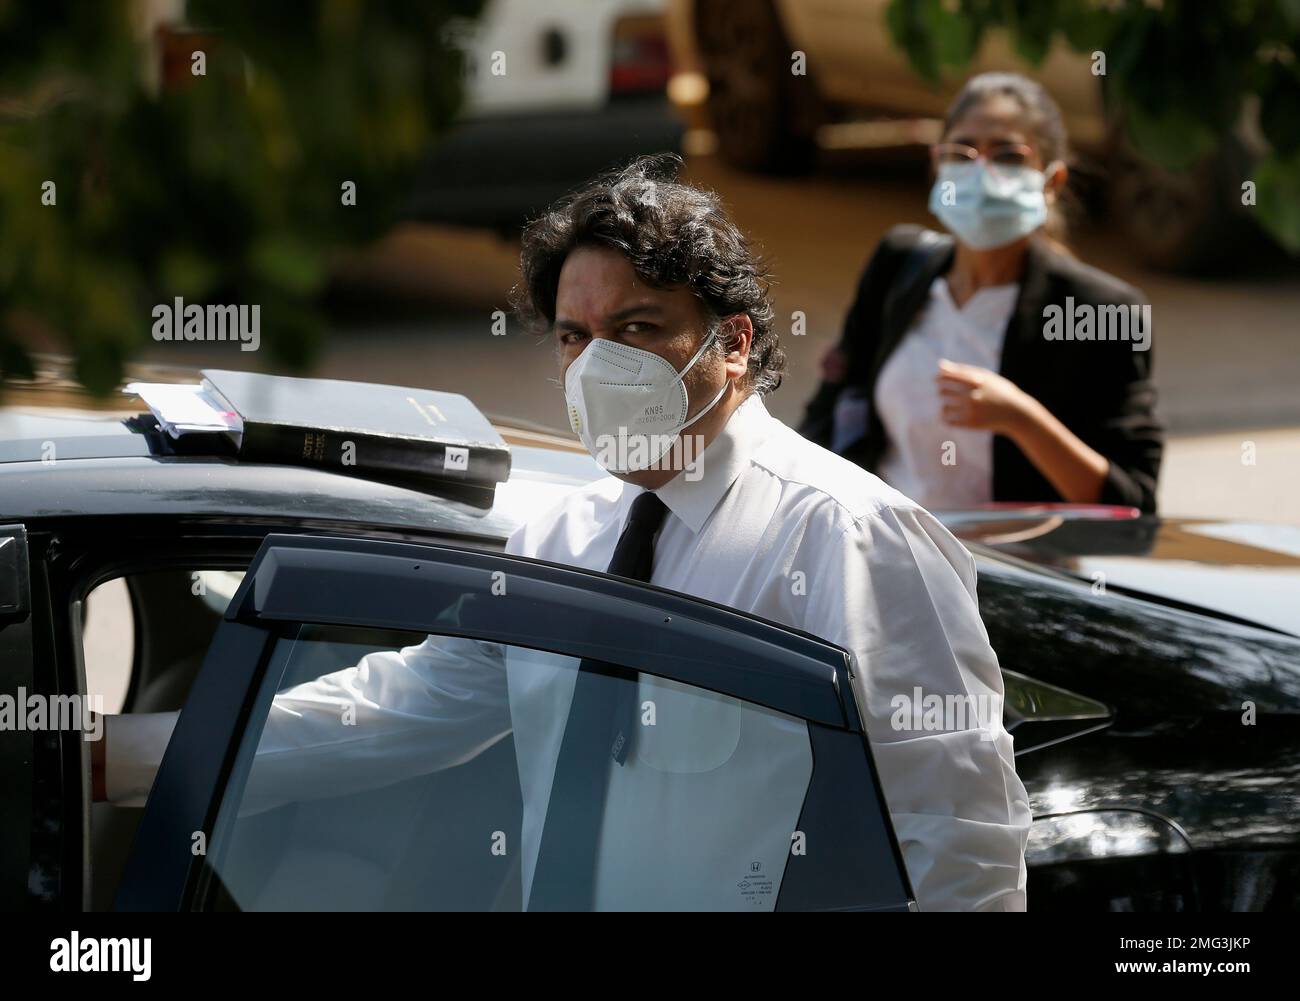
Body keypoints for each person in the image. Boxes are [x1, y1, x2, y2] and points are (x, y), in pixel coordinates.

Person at [96, 156, 1031, 911]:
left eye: (636, 327)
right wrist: (104, 755)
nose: (597, 364)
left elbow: (961, 847)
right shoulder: (563, 540)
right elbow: (396, 709)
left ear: (734, 341)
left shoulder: (848, 537)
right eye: (574, 337)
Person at [801, 72, 1164, 513]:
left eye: (1008, 156)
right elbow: (833, 409)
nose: (982, 171)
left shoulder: (1100, 311)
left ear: (1052, 182)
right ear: (938, 164)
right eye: (963, 152)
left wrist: (1023, 420)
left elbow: (1134, 503)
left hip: (1005, 572)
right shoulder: (899, 264)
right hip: (882, 551)